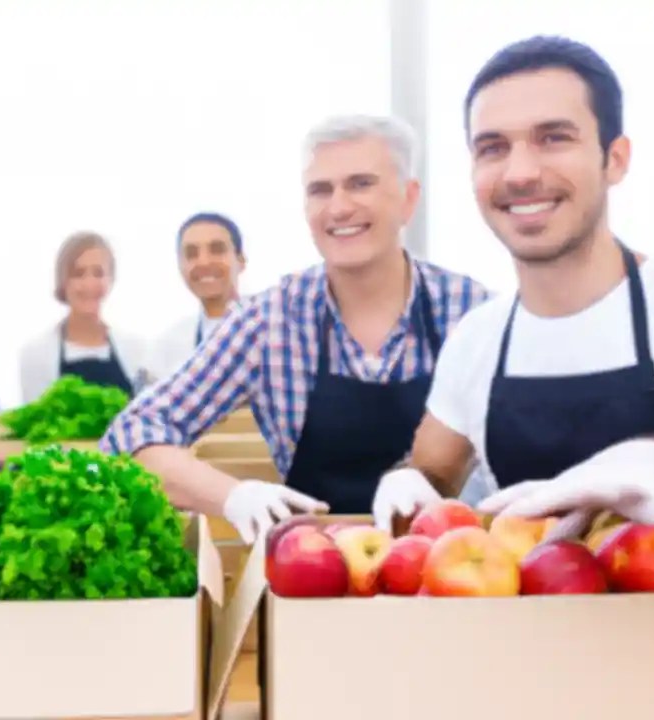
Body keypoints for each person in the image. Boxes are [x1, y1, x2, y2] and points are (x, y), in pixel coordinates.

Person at [371, 36, 654, 585]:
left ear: (615, 159)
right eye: (492, 147)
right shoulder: (477, 337)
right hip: (519, 654)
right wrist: (406, 483)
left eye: (554, 138)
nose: (520, 172)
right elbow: (432, 471)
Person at [101, 114, 492, 543]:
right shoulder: (269, 322)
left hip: (451, 578)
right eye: (320, 190)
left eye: (361, 183)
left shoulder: (469, 312)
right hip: (312, 580)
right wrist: (232, 496)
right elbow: (133, 433)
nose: (339, 206)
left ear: (408, 199)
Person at [19, 231, 152, 403]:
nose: (89, 284)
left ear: (111, 280)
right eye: (78, 274)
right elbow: (35, 424)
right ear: (62, 281)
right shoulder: (35, 354)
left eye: (98, 273)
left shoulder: (137, 349)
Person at [149, 212, 247, 381]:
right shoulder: (168, 344)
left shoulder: (271, 330)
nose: (204, 262)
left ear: (241, 261)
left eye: (217, 250)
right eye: (191, 253)